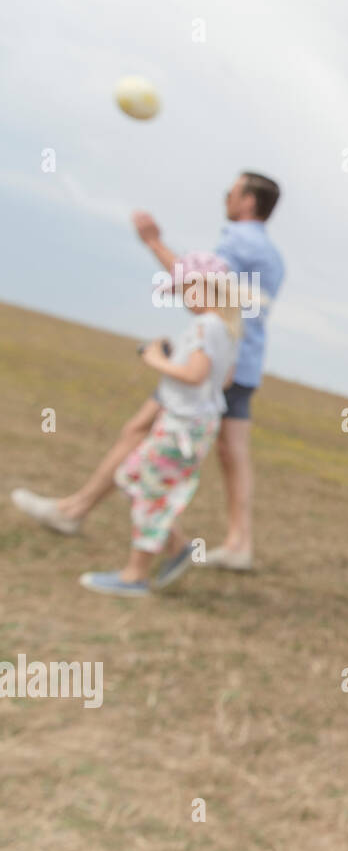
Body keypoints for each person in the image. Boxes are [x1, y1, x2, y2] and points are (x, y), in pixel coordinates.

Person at [11, 172, 285, 570]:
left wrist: (152, 241)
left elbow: (202, 281)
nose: (225, 196)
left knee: (140, 432)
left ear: (247, 201)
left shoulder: (238, 241)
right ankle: (238, 542)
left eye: (231, 191)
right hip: (244, 359)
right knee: (232, 452)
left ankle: (78, 512)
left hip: (211, 361)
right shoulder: (273, 255)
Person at [78, 254, 241, 596]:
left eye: (184, 289)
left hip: (181, 426)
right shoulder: (227, 331)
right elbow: (223, 381)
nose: (182, 297)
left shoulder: (205, 326)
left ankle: (135, 576)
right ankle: (178, 546)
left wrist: (157, 360)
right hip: (197, 424)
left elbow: (196, 376)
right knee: (130, 476)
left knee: (152, 493)